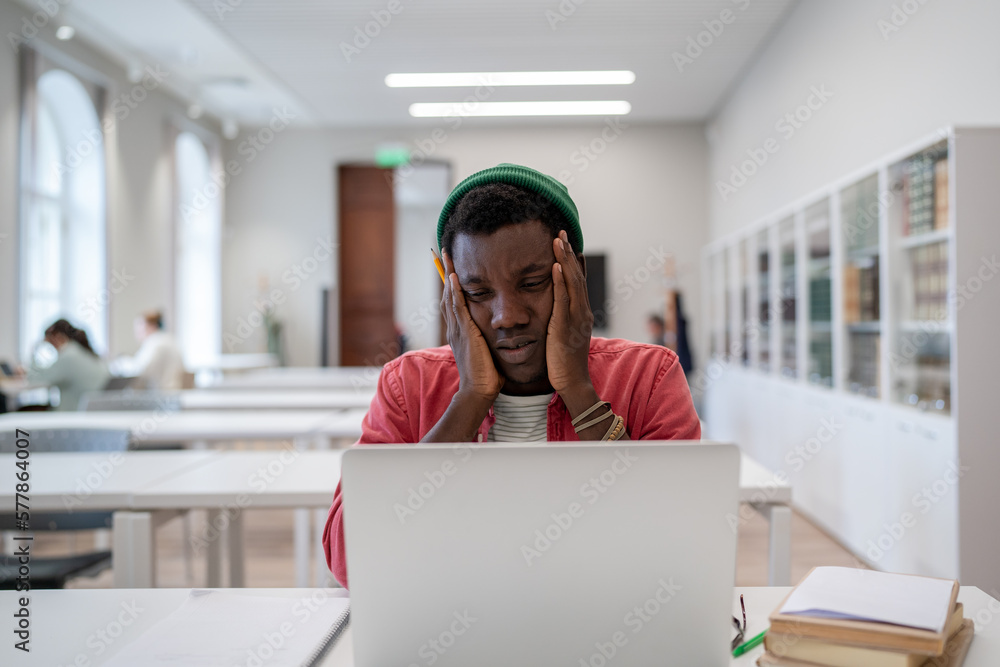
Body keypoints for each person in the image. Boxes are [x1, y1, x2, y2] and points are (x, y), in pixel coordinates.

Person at [323, 163, 701, 588]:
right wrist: (470, 399)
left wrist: (579, 391)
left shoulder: (648, 377)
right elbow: (349, 558)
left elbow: (680, 545)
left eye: (533, 282)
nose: (507, 316)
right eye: (478, 293)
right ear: (452, 292)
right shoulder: (409, 384)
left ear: (574, 274)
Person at [24, 319, 109, 411]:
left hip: (72, 413)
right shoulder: (82, 351)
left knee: (24, 410)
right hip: (88, 411)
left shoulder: (69, 355)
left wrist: (36, 349)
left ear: (57, 337)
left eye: (49, 342)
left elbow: (35, 379)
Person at [130, 310, 185, 390]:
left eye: (140, 325)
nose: (137, 331)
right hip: (175, 391)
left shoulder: (154, 343)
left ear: (152, 326)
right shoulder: (170, 340)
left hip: (161, 395)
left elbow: (141, 371)